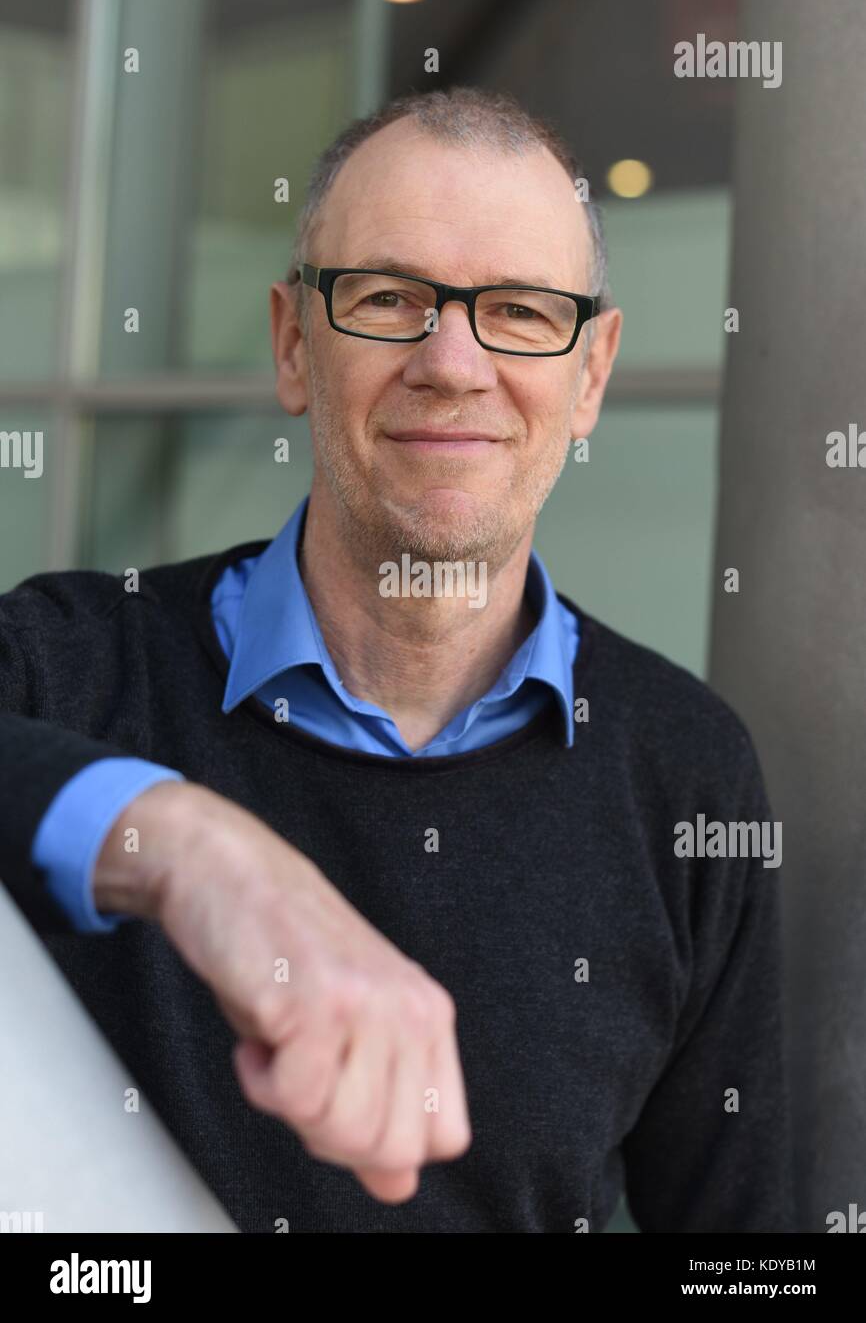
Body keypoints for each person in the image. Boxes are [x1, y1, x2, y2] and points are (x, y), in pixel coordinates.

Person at [0, 86, 793, 1233]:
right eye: (388, 298)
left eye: (519, 312)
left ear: (591, 375)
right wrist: (177, 840)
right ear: (290, 343)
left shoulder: (685, 773)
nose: (451, 363)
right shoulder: (65, 664)